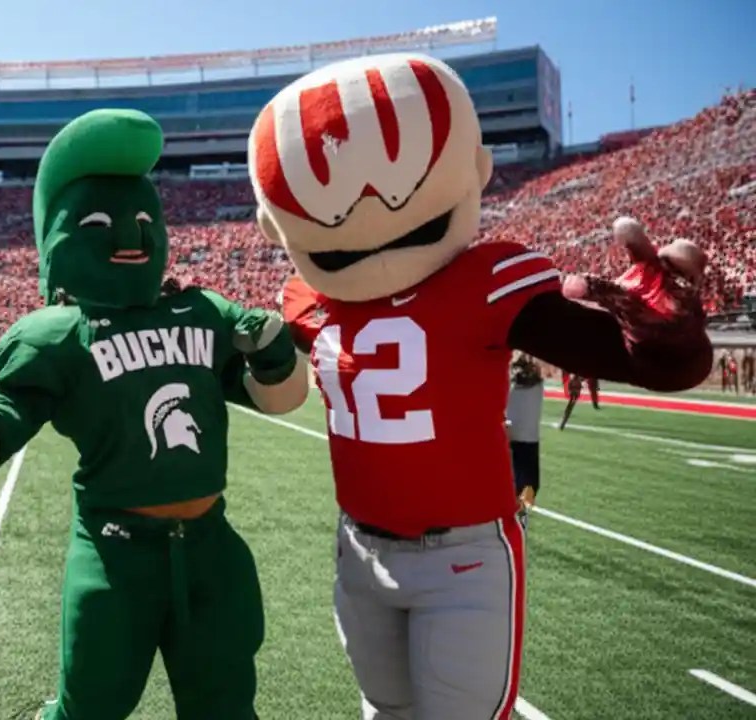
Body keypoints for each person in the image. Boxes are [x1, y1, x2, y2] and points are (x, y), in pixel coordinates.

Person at [254, 54, 711, 719]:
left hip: (460, 556)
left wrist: (663, 329)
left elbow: (649, 360)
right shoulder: (308, 298)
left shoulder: (486, 278)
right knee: (383, 711)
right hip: (359, 548)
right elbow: (250, 350)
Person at [0, 110, 307, 720]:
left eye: (144, 223)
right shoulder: (56, 336)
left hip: (210, 543)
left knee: (227, 704)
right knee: (90, 707)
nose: (131, 241)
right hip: (115, 550)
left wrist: (276, 357)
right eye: (101, 227)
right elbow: (4, 416)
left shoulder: (202, 312)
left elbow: (278, 396)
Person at [507, 353, 544, 513]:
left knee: (514, 476)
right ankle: (522, 507)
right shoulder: (537, 385)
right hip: (529, 439)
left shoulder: (512, 384)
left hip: (511, 434)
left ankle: (515, 504)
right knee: (530, 482)